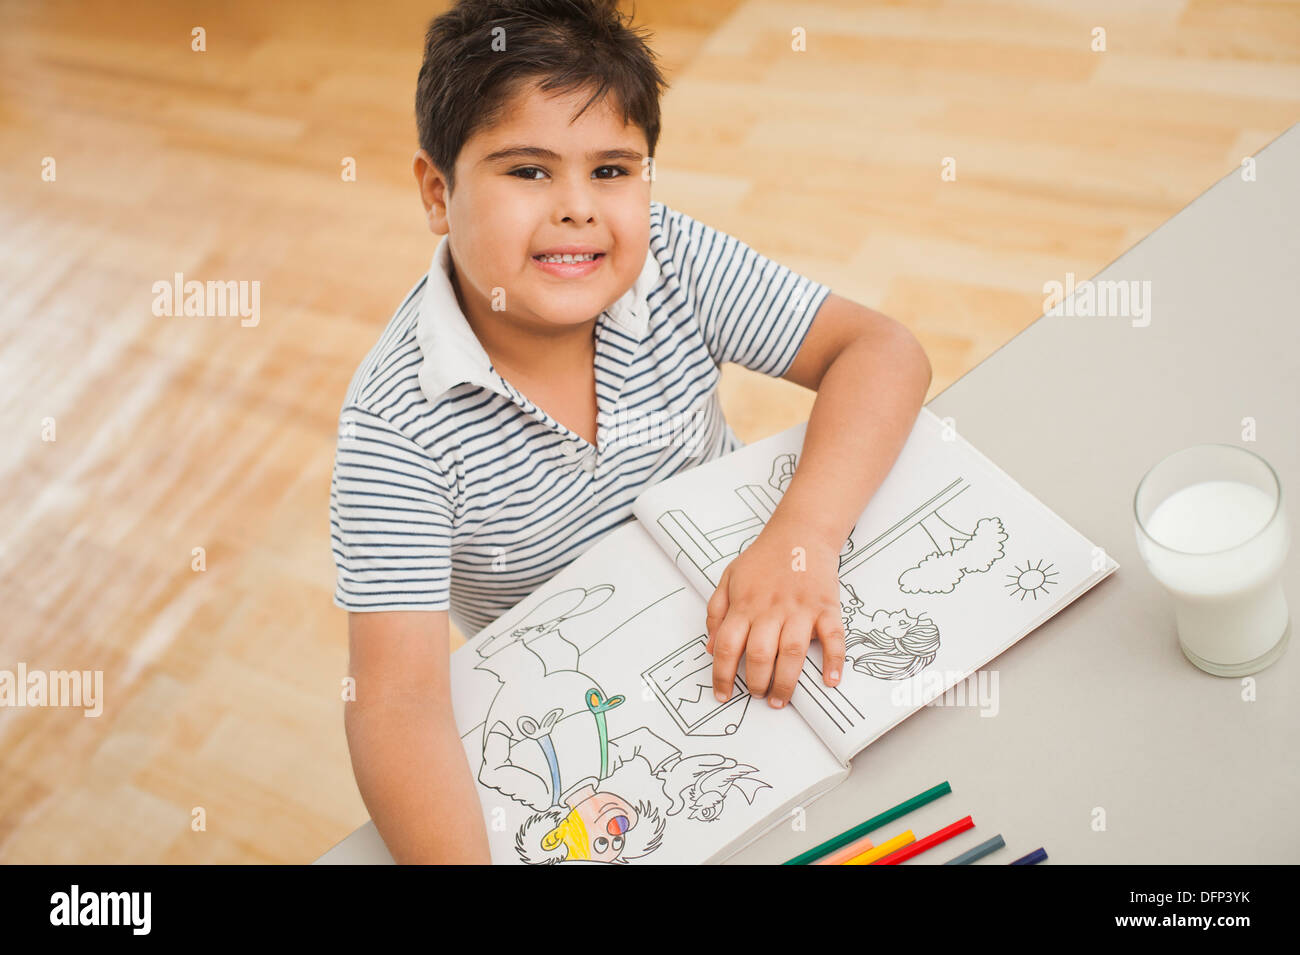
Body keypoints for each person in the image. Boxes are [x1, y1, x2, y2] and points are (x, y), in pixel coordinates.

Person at [329, 0, 932, 864]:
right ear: (437, 192)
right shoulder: (394, 430)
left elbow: (880, 349)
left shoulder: (673, 262)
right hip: (590, 708)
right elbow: (395, 703)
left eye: (613, 170)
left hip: (768, 610)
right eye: (528, 170)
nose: (579, 210)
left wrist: (802, 538)